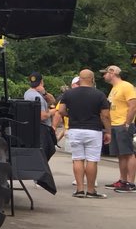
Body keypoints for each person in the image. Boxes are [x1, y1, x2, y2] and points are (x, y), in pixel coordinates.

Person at [53, 69, 111, 198]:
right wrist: (108, 131)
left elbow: (61, 110)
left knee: (77, 158)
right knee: (92, 160)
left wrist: (71, 115)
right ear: (92, 79)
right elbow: (105, 115)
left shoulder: (69, 94)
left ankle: (79, 189)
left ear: (79, 79)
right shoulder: (100, 95)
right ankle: (91, 190)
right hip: (93, 130)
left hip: (75, 129)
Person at [100, 65, 136, 192]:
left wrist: (127, 123)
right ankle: (123, 180)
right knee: (121, 154)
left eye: (105, 73)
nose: (104, 76)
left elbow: (133, 106)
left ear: (112, 72)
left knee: (128, 153)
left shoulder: (126, 86)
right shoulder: (114, 88)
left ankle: (131, 182)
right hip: (115, 124)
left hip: (123, 124)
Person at [23, 72, 57, 160]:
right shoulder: (35, 96)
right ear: (42, 81)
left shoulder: (31, 93)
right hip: (41, 129)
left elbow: (52, 101)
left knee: (48, 151)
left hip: (40, 128)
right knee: (44, 154)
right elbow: (42, 116)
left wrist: (44, 93)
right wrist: (52, 112)